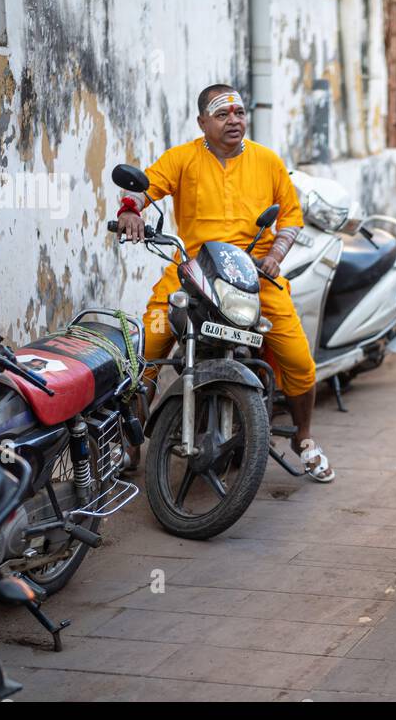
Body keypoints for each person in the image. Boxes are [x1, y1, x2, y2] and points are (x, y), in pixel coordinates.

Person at [117, 84, 335, 482]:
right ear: (203, 123)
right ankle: (130, 446)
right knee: (146, 350)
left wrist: (274, 257)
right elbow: (143, 189)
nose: (233, 120)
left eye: (238, 112)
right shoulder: (182, 158)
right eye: (222, 114)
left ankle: (303, 438)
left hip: (255, 275)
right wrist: (131, 211)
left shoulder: (267, 161)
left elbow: (290, 217)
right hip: (192, 271)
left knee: (300, 361)